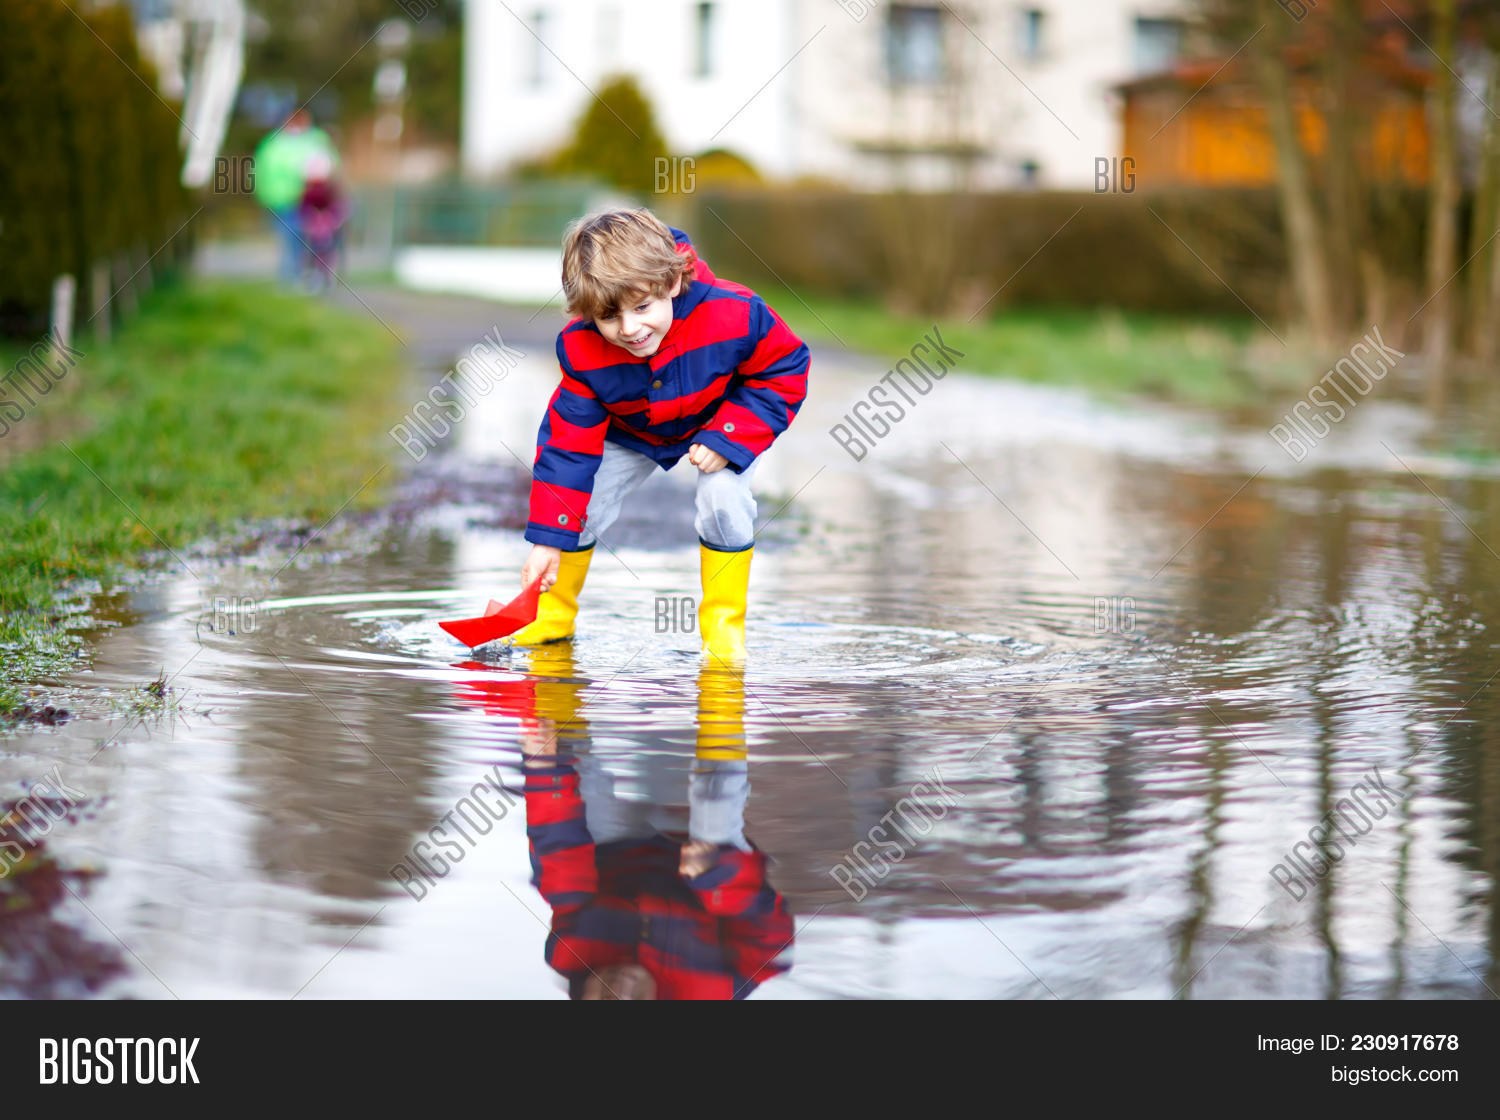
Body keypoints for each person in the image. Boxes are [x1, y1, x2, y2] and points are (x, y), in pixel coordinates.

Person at [509, 208, 811, 662]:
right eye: (609, 317)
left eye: (642, 308)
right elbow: (568, 447)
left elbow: (785, 370)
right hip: (631, 431)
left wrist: (728, 436)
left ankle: (724, 631)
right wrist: (547, 540)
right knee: (585, 502)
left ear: (670, 283)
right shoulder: (581, 347)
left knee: (723, 499)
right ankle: (552, 617)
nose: (630, 329)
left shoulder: (736, 313)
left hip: (718, 427)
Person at [252, 109, 338, 284]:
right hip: (282, 200)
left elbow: (330, 166)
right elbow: (261, 171)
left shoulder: (316, 140)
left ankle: (303, 275)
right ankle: (293, 275)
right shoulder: (273, 143)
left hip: (311, 199)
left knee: (311, 239)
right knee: (292, 238)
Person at [296, 152, 348, 291]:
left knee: (325, 253)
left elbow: (338, 207)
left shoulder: (328, 190)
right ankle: (316, 277)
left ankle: (323, 277)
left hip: (326, 229)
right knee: (315, 253)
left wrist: (333, 219)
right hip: (317, 229)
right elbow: (304, 209)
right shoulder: (312, 191)